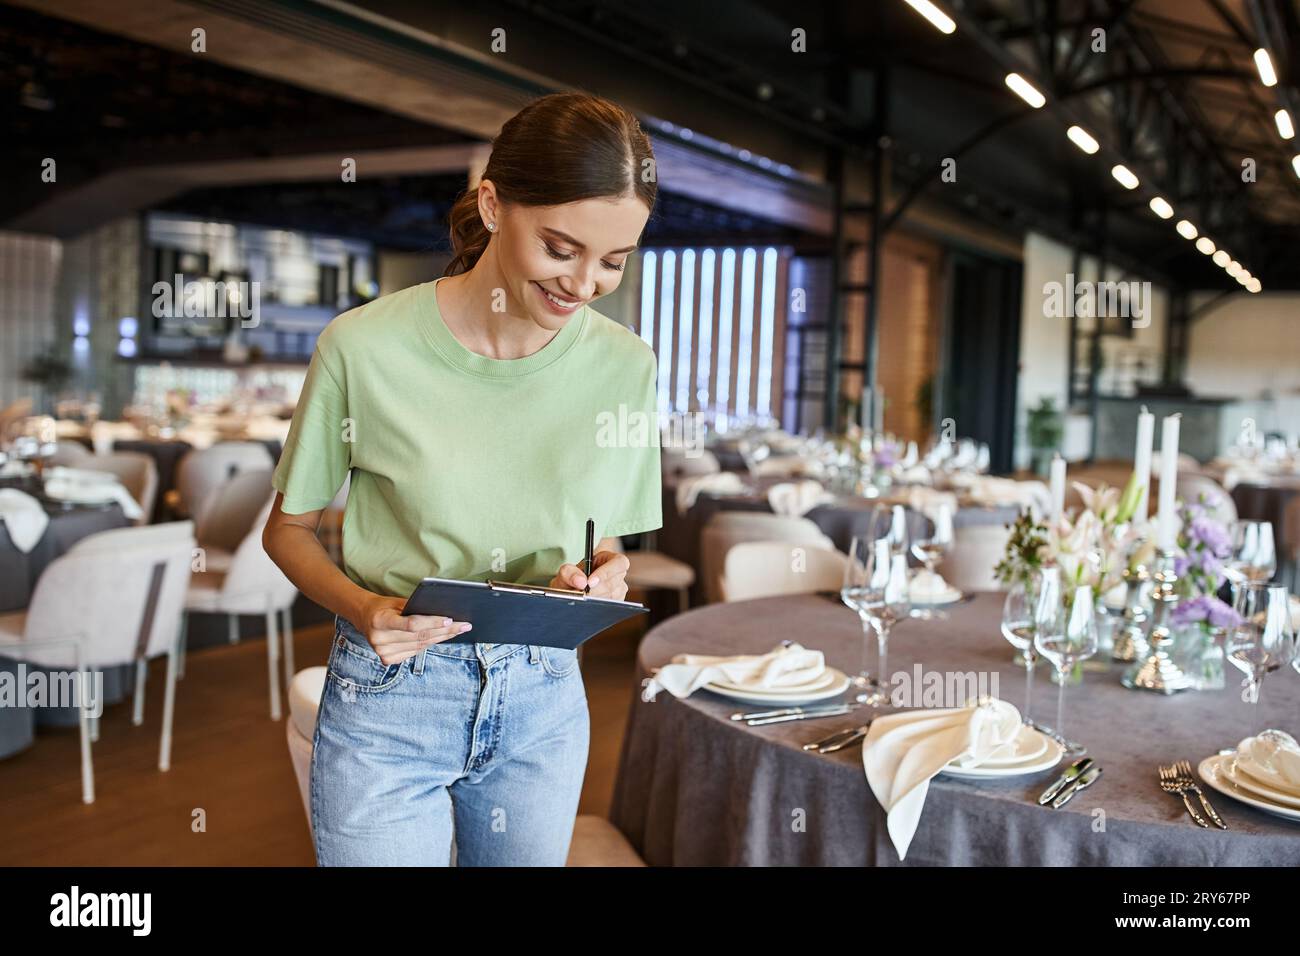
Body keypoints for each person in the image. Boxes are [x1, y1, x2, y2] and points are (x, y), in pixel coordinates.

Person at [262, 91, 662, 866]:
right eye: (561, 247)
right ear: (491, 205)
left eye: (612, 262)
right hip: (391, 693)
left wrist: (608, 570)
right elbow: (287, 530)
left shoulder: (626, 367)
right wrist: (363, 607)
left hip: (544, 696)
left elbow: (603, 533)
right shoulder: (363, 348)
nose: (584, 284)